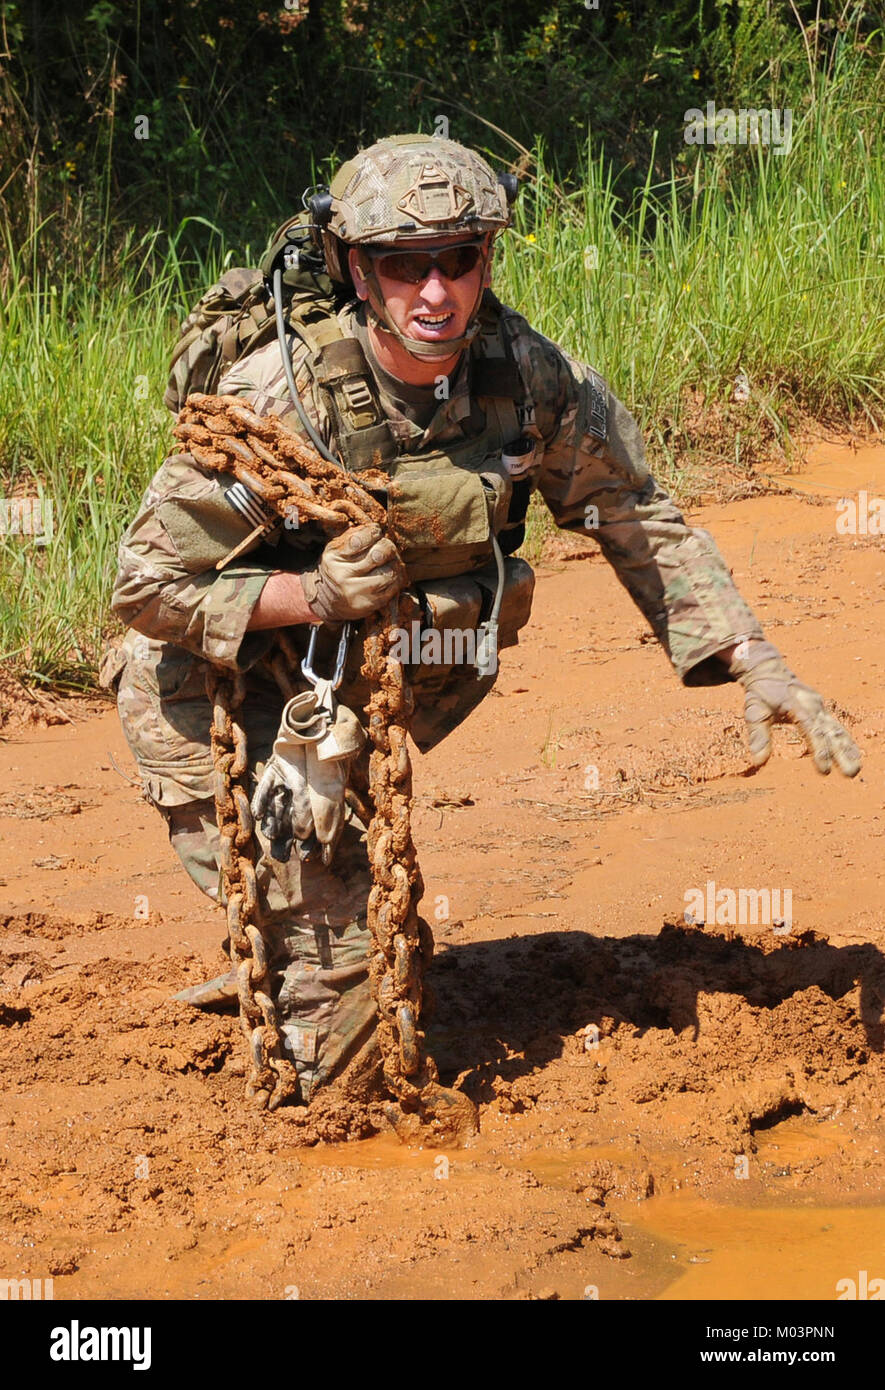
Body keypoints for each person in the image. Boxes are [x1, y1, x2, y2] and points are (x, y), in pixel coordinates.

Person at [107, 133, 860, 1106]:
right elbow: (144, 581)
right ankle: (296, 928)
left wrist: (754, 658)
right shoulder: (284, 405)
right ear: (354, 269)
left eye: (458, 259)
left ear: (486, 261)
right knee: (348, 1080)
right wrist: (310, 594)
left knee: (343, 917)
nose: (435, 292)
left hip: (383, 684)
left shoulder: (527, 382)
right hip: (213, 692)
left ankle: (304, 917)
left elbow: (633, 511)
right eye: (404, 265)